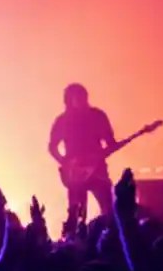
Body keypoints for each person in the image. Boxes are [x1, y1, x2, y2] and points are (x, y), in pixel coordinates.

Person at [48, 83, 117, 218]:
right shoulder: (62, 121)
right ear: (69, 100)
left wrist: (101, 154)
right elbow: (52, 147)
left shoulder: (98, 116)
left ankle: (109, 233)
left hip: (98, 169)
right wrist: (66, 163)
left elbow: (110, 142)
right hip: (75, 175)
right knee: (78, 215)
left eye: (83, 96)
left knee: (108, 209)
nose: (81, 100)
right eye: (77, 97)